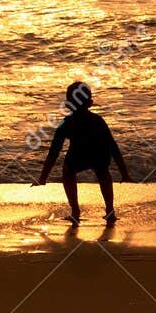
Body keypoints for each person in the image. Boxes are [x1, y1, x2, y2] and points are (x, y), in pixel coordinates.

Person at [33, 81, 130, 224]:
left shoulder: (66, 123)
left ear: (67, 105)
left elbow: (54, 152)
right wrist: (124, 174)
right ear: (90, 103)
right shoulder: (98, 120)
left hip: (79, 156)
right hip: (99, 155)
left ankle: (75, 211)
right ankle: (110, 211)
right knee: (103, 172)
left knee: (67, 171)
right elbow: (112, 146)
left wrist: (43, 178)